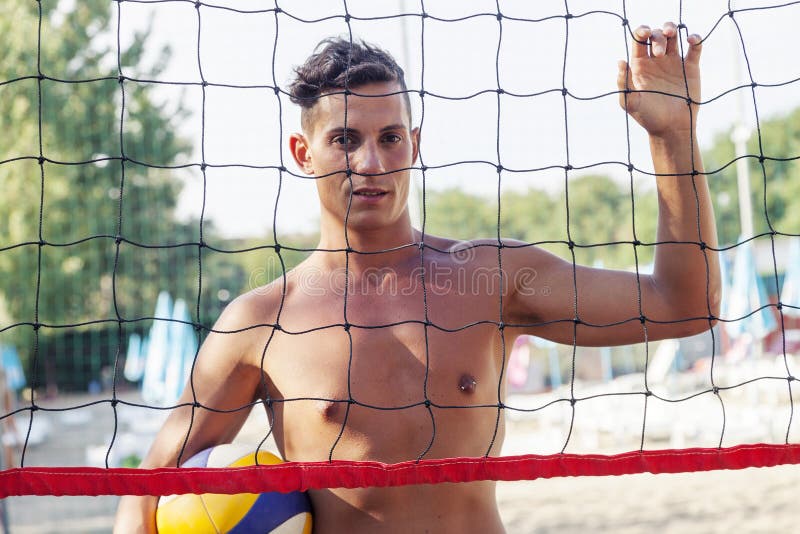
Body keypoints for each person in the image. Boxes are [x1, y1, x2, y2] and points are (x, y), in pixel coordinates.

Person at [115, 22, 720, 533]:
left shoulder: (491, 277)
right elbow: (147, 493)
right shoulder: (260, 323)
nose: (371, 163)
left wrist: (673, 137)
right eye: (345, 140)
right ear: (303, 153)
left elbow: (683, 305)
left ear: (416, 143)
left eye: (390, 138)